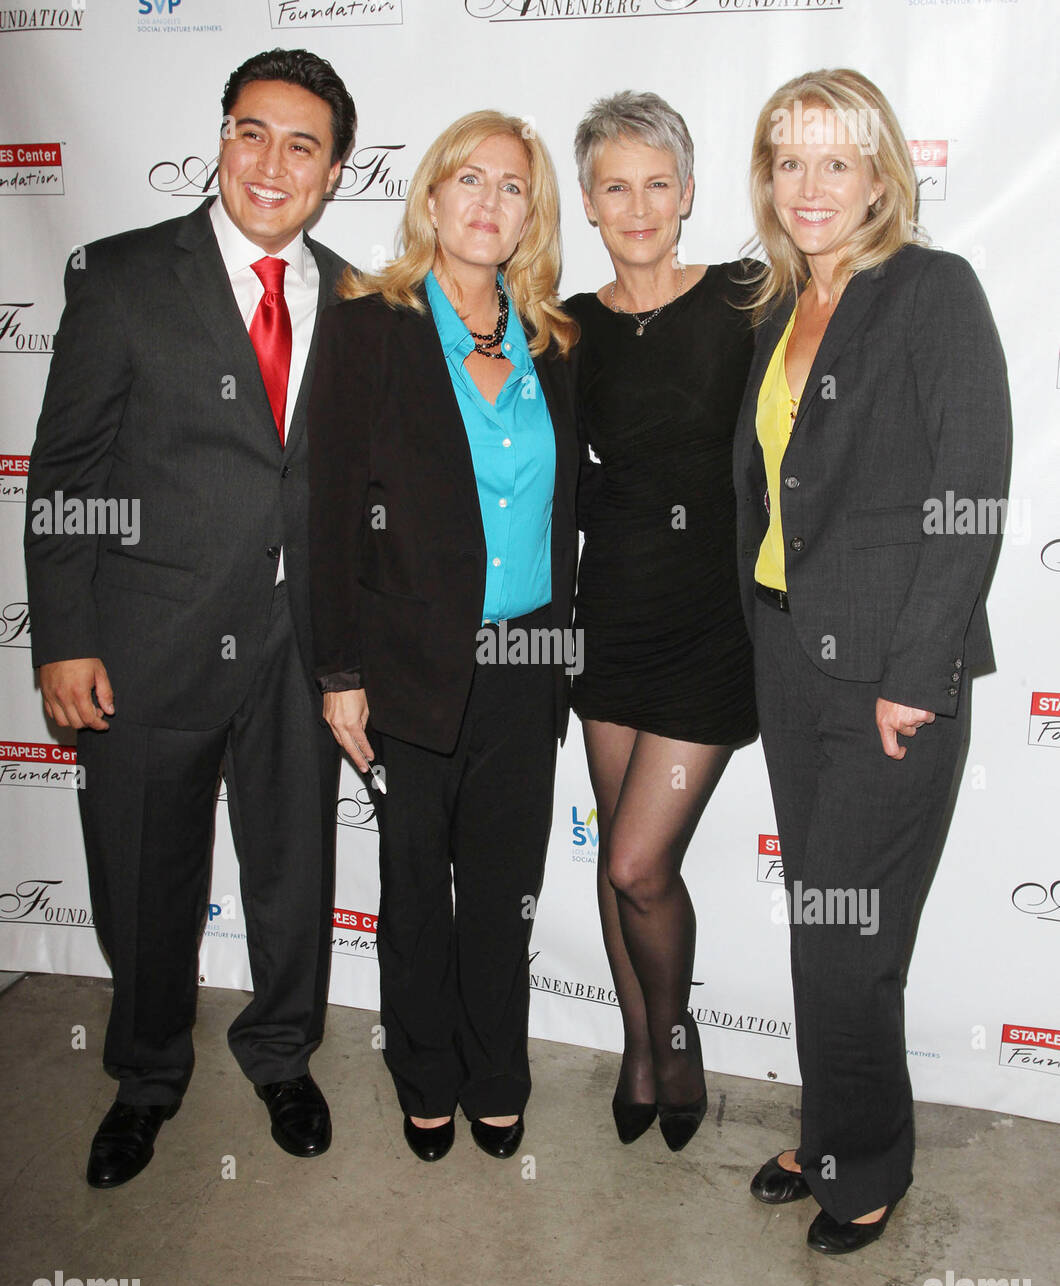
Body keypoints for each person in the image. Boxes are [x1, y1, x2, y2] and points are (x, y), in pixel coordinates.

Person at [24, 49, 357, 1187]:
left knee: (293, 862)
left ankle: (280, 1052)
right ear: (220, 137)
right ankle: (146, 1074)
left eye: (302, 144)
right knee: (143, 870)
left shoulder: (358, 297)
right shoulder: (120, 277)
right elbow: (64, 470)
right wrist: (62, 634)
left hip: (298, 645)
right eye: (252, 132)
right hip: (146, 637)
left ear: (334, 169)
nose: (273, 163)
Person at [734, 69, 1010, 1252]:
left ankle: (863, 1163)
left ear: (881, 176)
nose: (810, 186)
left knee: (846, 933)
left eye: (835, 162)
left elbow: (969, 495)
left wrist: (916, 671)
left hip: (893, 673)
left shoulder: (932, 291)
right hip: (789, 658)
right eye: (789, 161)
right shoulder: (776, 303)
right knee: (824, 920)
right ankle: (839, 1118)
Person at [307, 111, 579, 1163]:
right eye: (468, 179)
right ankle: (424, 1072)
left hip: (525, 664)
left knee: (504, 888)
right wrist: (338, 671)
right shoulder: (371, 322)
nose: (487, 201)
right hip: (407, 667)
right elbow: (330, 513)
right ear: (429, 197)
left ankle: (495, 1073)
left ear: (530, 215)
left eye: (511, 186)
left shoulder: (554, 341)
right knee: (417, 888)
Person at [566, 92, 757, 1150]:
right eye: (613, 185)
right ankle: (637, 1047)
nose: (636, 206)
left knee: (641, 864)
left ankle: (674, 1035)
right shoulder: (568, 327)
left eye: (655, 183)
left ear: (686, 194)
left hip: (712, 631)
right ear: (587, 200)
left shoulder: (746, 298)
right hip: (611, 620)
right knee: (612, 862)